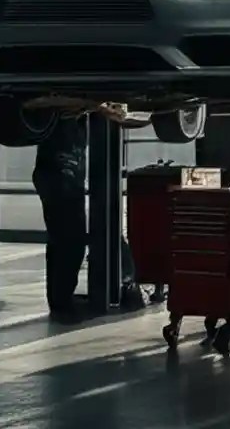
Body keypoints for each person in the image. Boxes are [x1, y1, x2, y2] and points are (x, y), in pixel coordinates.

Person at [36, 103, 144, 324]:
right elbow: (65, 104)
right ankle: (61, 303)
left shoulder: (83, 116)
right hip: (58, 178)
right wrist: (100, 106)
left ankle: (62, 300)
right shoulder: (61, 110)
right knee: (69, 241)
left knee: (70, 240)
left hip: (65, 177)